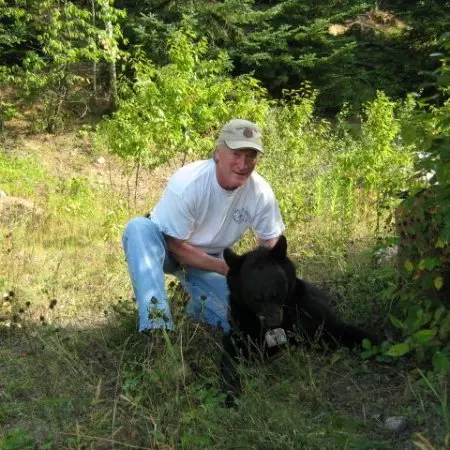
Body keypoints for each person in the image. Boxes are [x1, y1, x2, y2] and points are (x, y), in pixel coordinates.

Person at [122, 118, 285, 334]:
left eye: (251, 156)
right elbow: (176, 246)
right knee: (138, 228)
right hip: (166, 247)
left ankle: (195, 304)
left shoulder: (260, 192)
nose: (243, 164)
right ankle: (157, 327)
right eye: (236, 154)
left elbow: (271, 243)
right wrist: (229, 269)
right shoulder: (189, 182)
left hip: (211, 258)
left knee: (243, 323)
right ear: (218, 153)